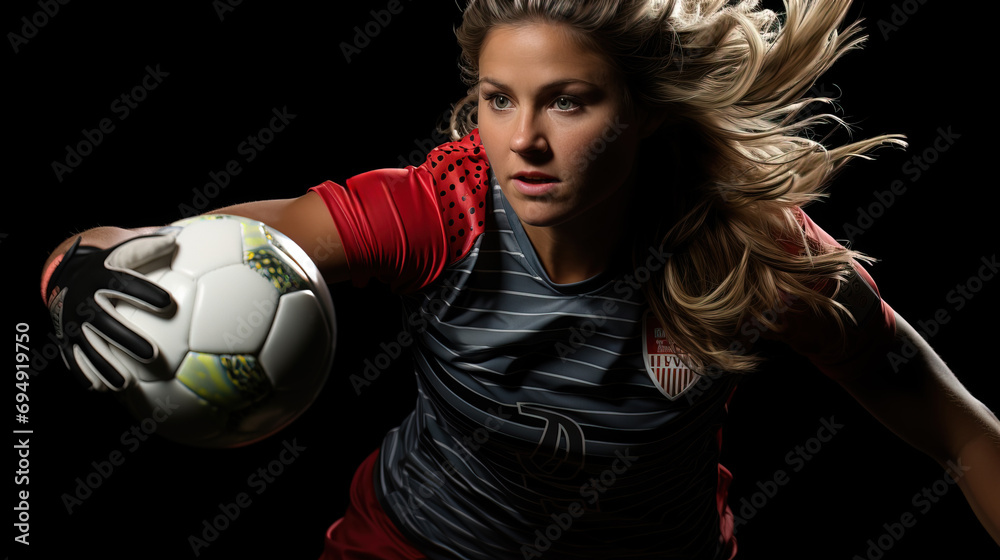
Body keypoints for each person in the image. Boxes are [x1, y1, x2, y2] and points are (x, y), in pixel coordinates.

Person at [38, 0, 999, 558]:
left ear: (647, 113)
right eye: (500, 99)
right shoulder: (441, 210)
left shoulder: (750, 247)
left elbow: (959, 428)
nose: (523, 141)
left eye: (568, 102)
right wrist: (74, 274)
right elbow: (146, 245)